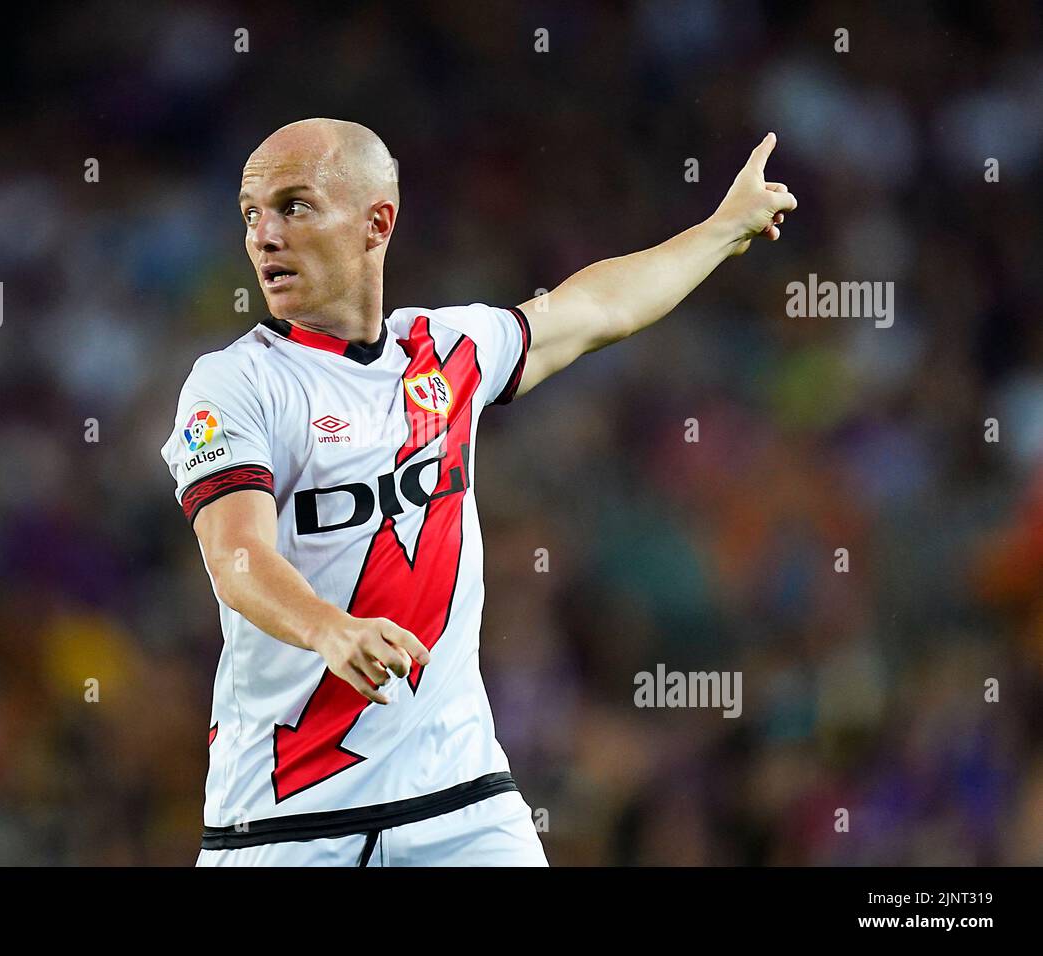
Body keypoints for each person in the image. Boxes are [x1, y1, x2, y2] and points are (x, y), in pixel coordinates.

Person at [161, 118, 796, 866]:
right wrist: (331, 628)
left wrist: (723, 229)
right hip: (287, 816)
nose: (263, 235)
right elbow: (234, 556)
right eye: (250, 212)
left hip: (461, 800)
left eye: (294, 205)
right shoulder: (237, 383)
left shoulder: (450, 350)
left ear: (378, 222)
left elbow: (597, 310)